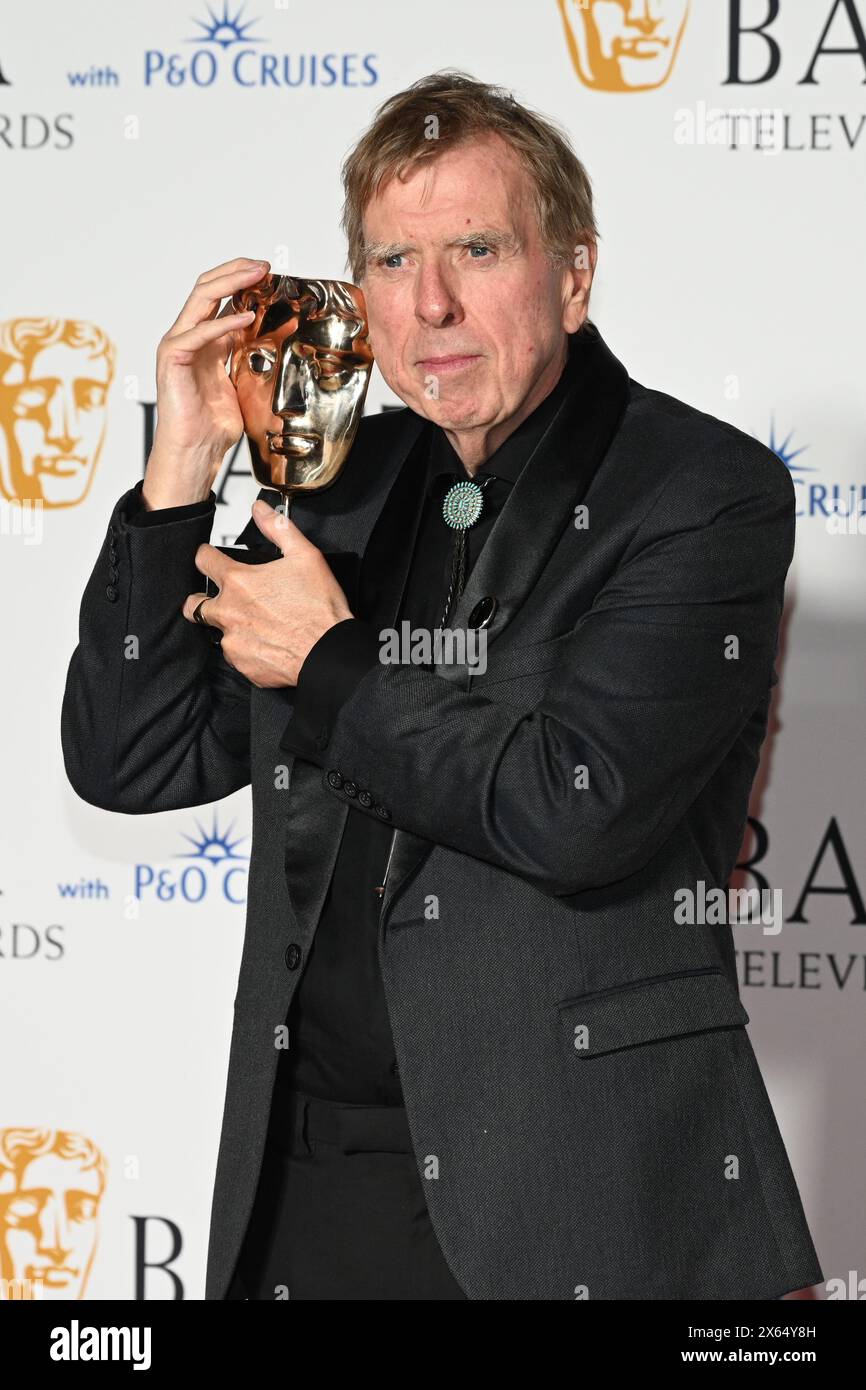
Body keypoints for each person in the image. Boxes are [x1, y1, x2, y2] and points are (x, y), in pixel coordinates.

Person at [61, 70, 823, 1301]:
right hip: (309, 1194)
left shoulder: (698, 491)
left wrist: (330, 661)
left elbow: (576, 804)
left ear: (571, 273)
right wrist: (180, 473)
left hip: (576, 1193)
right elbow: (131, 757)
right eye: (389, 259)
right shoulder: (338, 492)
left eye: (475, 247)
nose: (430, 303)